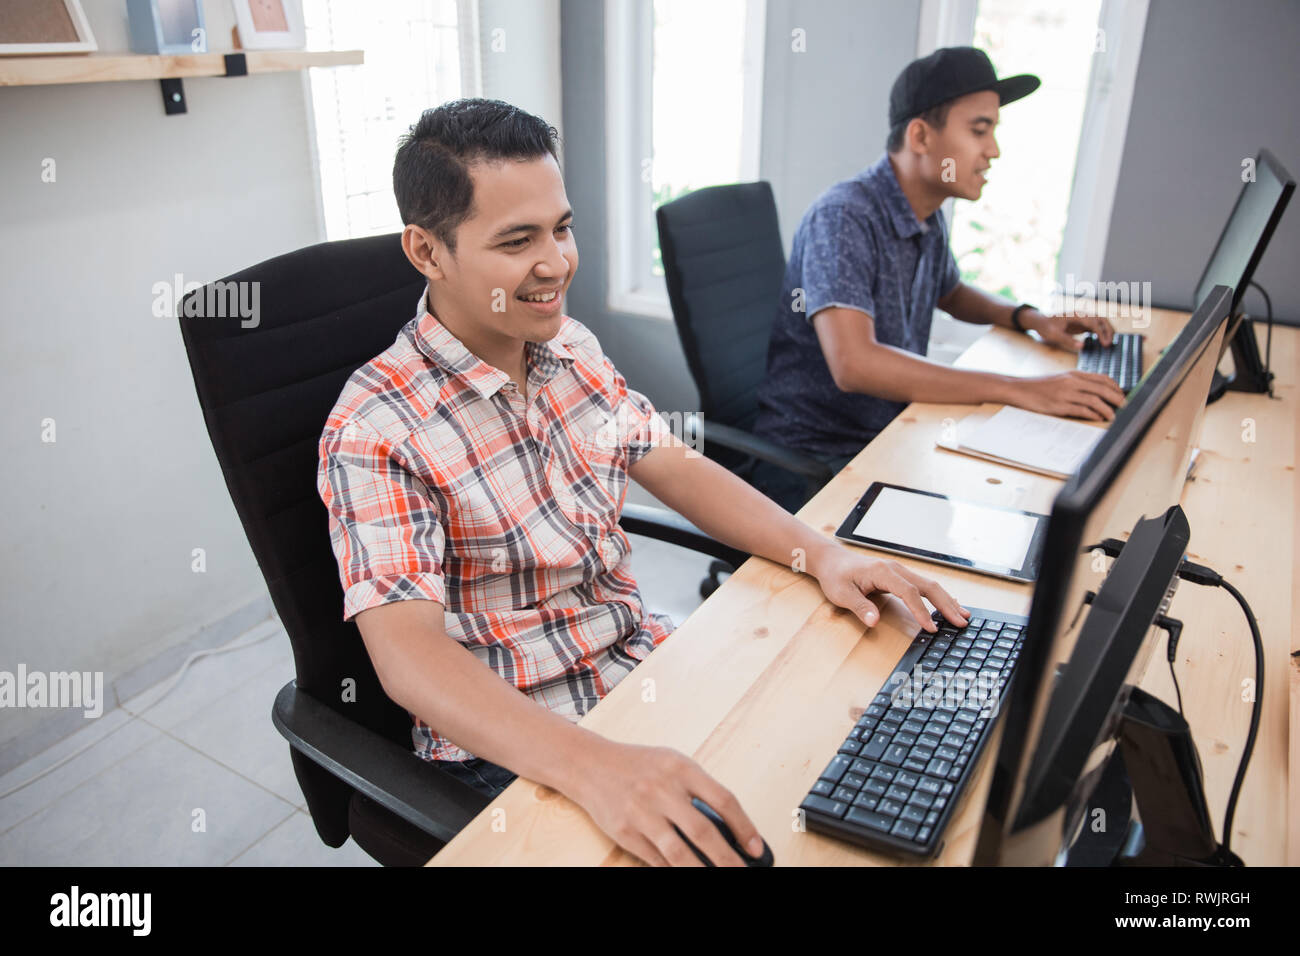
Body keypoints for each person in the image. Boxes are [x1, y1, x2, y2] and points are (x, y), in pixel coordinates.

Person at [316, 98, 969, 867]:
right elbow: (409, 659)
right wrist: (596, 767)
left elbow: (675, 466)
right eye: (517, 240)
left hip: (641, 664)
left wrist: (819, 552)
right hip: (517, 744)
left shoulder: (569, 348)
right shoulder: (376, 426)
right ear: (427, 251)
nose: (556, 262)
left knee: (848, 758)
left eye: (562, 228)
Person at [752, 47, 1126, 512]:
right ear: (921, 136)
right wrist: (1019, 390)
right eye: (979, 130)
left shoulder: (925, 209)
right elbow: (855, 364)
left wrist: (1029, 317)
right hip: (816, 461)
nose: (993, 151)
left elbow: (950, 291)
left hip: (887, 434)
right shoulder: (845, 216)